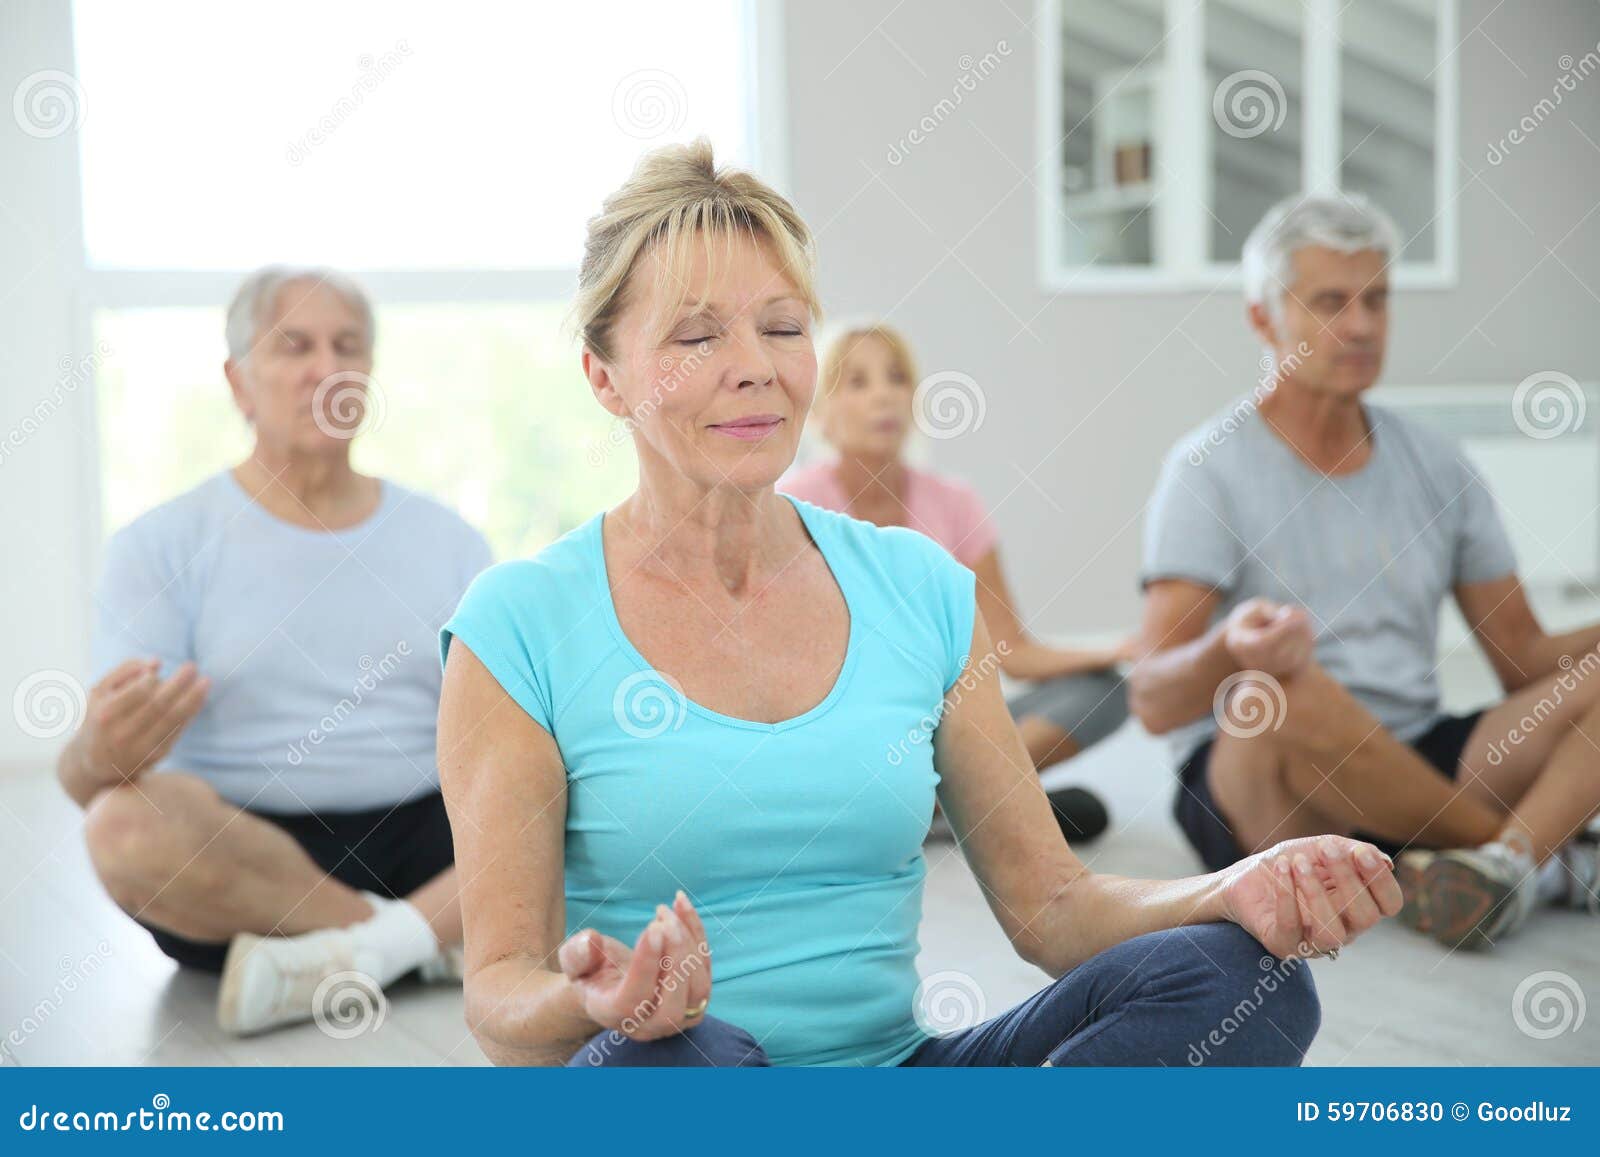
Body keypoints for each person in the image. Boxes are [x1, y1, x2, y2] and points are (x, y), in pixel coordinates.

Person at [435, 140, 1402, 1069]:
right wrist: (595, 1002)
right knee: (687, 1059)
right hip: (683, 1079)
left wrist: (1232, 885)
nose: (756, 365)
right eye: (696, 334)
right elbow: (500, 997)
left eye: (781, 326)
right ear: (603, 376)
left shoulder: (920, 584)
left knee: (1239, 977)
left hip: (900, 1076)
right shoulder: (518, 624)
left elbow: (1052, 906)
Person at [1130, 193, 1600, 950]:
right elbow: (1150, 699)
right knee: (1273, 694)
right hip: (1263, 781)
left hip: (1417, 751)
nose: (1360, 325)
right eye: (1328, 303)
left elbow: (1522, 659)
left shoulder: (1440, 463)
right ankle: (1533, 857)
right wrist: (1232, 650)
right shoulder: (1204, 470)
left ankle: (1492, 864)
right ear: (1262, 319)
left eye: (1377, 300)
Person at [59, 266, 493, 1034]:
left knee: (571, 781)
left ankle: (358, 950)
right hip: (240, 865)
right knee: (119, 825)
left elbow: (505, 735)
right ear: (239, 381)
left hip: (432, 842)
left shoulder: (450, 541)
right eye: (295, 345)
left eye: (346, 345)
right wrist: (100, 749)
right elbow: (82, 778)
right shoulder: (162, 545)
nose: (326, 367)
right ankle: (417, 941)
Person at [779, 322, 1133, 842]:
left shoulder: (955, 500)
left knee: (1105, 692)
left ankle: (936, 804)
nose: (884, 394)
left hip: (948, 728)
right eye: (857, 382)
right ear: (821, 414)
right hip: (850, 729)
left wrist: (1117, 647)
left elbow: (1011, 648)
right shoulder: (794, 504)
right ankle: (967, 804)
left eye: (896, 377)